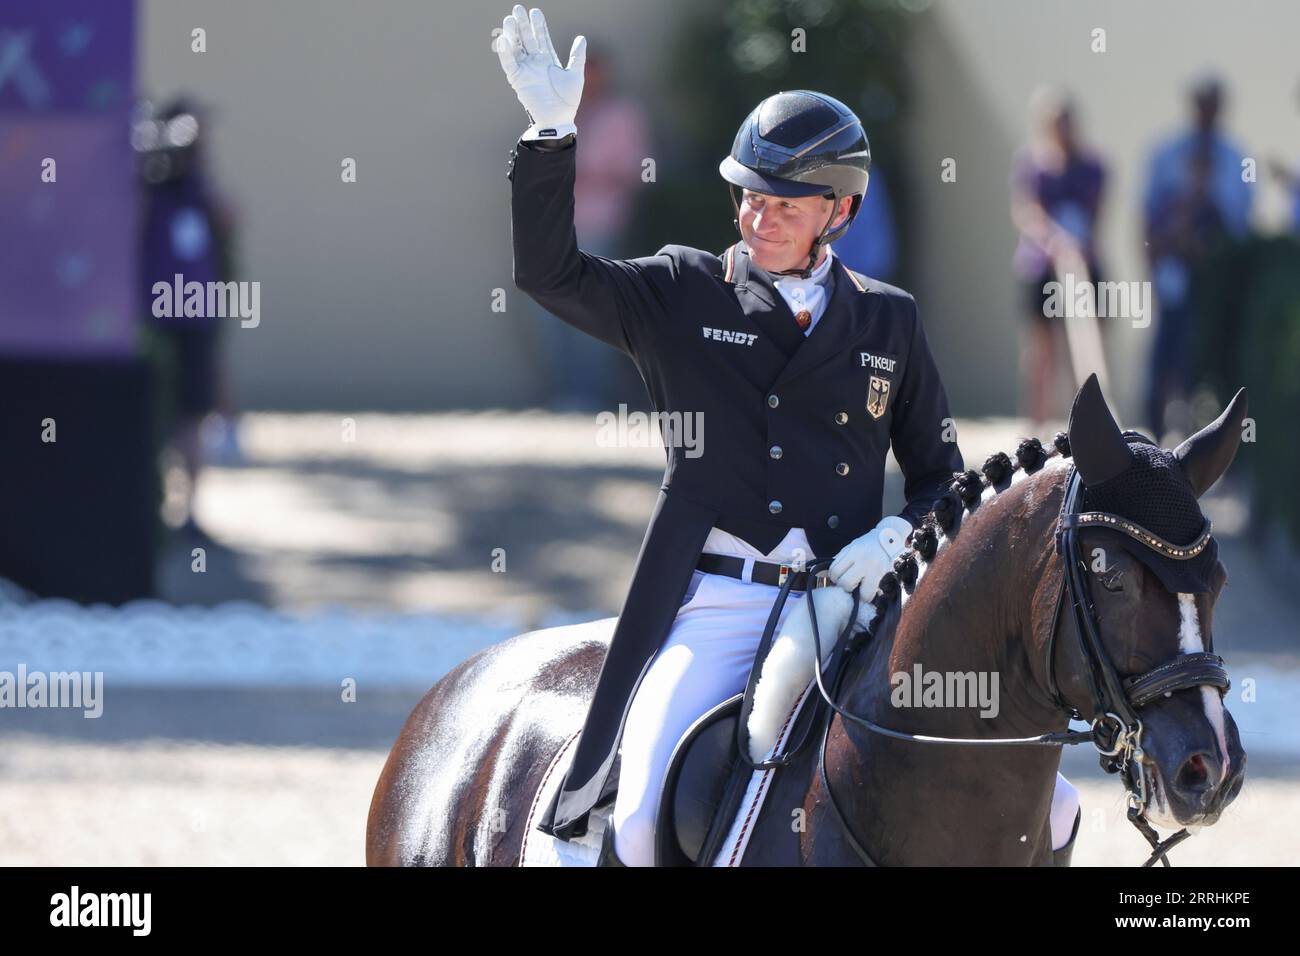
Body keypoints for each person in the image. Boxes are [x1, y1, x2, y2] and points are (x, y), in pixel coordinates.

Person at [496, 6, 1080, 866]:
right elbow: (550, 274)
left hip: (858, 605)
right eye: (748, 197)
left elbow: (939, 479)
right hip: (721, 600)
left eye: (782, 204)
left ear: (838, 211)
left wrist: (896, 537)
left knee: (1052, 802)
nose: (756, 218)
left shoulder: (889, 319)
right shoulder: (681, 291)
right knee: (634, 801)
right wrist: (551, 136)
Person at [1141, 75, 1252, 441]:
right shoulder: (1167, 154)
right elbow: (1149, 217)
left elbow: (1238, 223)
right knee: (1165, 359)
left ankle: (1198, 438)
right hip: (1173, 276)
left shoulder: (1235, 158)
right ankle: (1152, 435)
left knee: (1200, 361)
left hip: (1212, 282)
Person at [1009, 87, 1108, 427]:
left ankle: (1086, 428)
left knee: (1083, 352)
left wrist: (1076, 247)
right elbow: (1027, 212)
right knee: (1041, 355)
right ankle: (1036, 429)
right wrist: (1054, 242)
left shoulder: (1093, 166)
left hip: (1082, 265)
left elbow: (1095, 212)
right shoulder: (1032, 165)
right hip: (1041, 266)